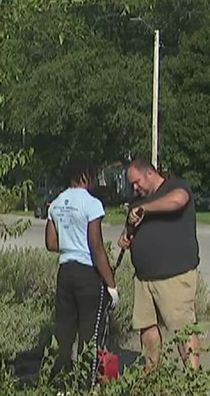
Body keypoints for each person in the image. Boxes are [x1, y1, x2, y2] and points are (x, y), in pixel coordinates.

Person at [118, 159, 201, 372]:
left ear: (149, 174)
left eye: (136, 182)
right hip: (144, 278)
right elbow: (131, 228)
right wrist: (126, 237)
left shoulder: (175, 187)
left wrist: (144, 208)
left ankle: (195, 381)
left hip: (174, 275)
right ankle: (152, 376)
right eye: (132, 185)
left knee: (183, 330)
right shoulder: (137, 201)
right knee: (147, 330)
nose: (134, 188)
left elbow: (178, 201)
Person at [44, 161, 119, 384]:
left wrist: (70, 244)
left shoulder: (56, 204)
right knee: (90, 332)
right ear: (86, 177)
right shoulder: (92, 204)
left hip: (65, 271)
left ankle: (61, 381)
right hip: (87, 274)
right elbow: (96, 247)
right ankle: (86, 383)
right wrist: (111, 285)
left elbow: (50, 243)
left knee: (64, 329)